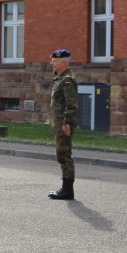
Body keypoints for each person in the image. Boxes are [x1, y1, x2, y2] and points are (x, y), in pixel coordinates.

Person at [48, 49, 78, 200]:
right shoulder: (59, 78)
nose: (51, 62)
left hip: (64, 125)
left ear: (64, 62)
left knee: (65, 155)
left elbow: (71, 104)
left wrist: (66, 123)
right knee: (62, 155)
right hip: (60, 123)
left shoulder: (67, 80)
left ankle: (67, 190)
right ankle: (65, 188)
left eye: (54, 60)